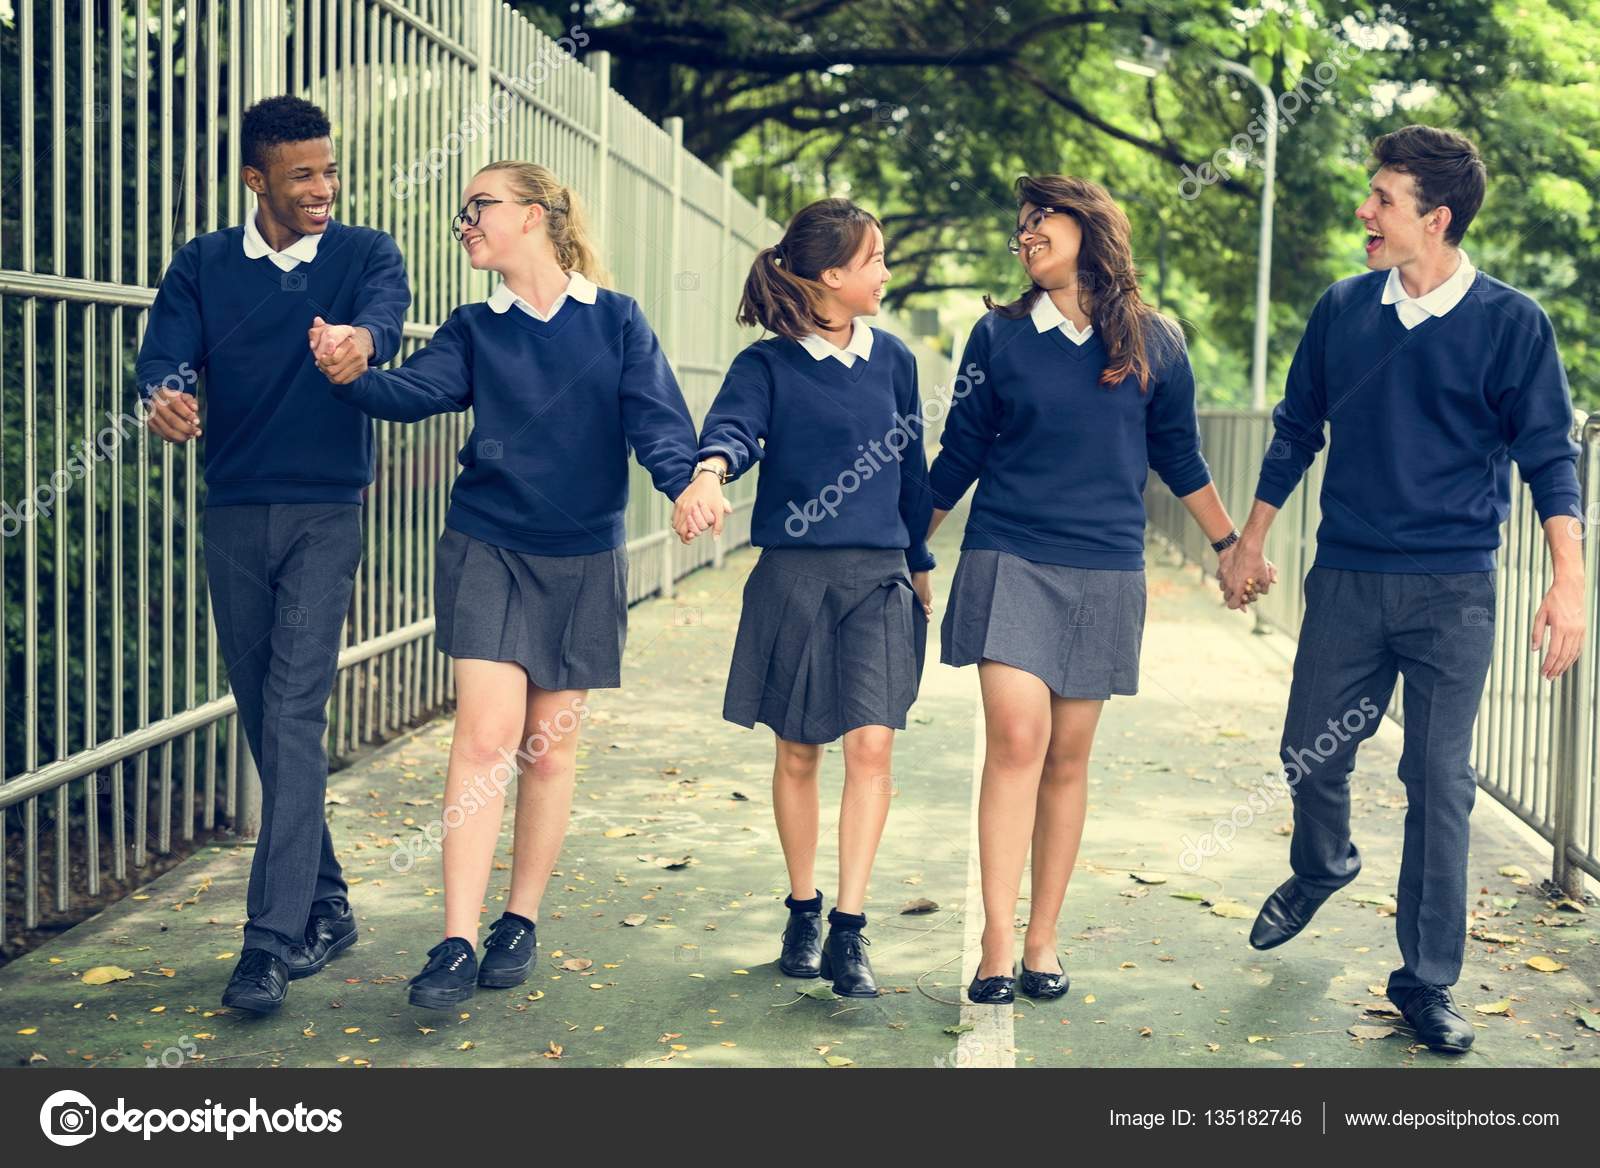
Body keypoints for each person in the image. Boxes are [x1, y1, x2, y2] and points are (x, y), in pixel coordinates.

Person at [1220, 125, 1587, 1054]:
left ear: (1437, 217)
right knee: (1309, 750)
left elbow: (1551, 458)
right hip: (1346, 577)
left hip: (1454, 590)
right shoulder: (1343, 309)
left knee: (1440, 779)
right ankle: (1324, 862)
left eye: (1382, 199)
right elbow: (1297, 429)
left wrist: (1568, 581)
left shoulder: (1513, 323)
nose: (1365, 212)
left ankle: (1424, 981)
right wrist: (1249, 540)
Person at [314, 161, 702, 1009]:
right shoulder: (474, 326)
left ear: (534, 216)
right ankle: (454, 939)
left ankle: (517, 921)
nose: (466, 222)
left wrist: (689, 486)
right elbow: (415, 390)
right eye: (463, 210)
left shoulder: (618, 321)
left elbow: (658, 425)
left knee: (549, 749)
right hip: (488, 546)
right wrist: (351, 371)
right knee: (485, 739)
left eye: (479, 207)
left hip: (582, 557)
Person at [927, 175, 1262, 1006]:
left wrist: (1229, 545)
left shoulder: (1157, 342)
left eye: (1042, 218)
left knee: (1068, 759)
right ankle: (997, 941)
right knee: (1016, 737)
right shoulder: (996, 337)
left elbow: (1178, 456)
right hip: (1011, 555)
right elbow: (961, 451)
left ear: (1091, 228)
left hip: (1107, 567)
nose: (1027, 234)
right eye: (1020, 226)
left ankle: (1044, 936)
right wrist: (907, 545)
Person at [135, 95, 411, 1013]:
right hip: (233, 512)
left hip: (327, 513)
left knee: (293, 712)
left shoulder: (367, 253)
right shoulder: (204, 264)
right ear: (257, 179)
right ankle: (327, 905)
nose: (324, 188)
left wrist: (359, 342)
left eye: (330, 170)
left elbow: (383, 318)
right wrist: (164, 399)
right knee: (266, 718)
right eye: (303, 174)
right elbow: (164, 361)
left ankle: (269, 941)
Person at [674, 198, 935, 998]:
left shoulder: (894, 361)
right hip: (795, 577)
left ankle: (850, 931)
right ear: (832, 276)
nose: (886, 273)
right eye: (876, 260)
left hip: (880, 578)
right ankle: (803, 907)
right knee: (797, 751)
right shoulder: (767, 364)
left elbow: (911, 470)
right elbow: (732, 434)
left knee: (873, 749)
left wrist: (920, 569)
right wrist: (708, 477)